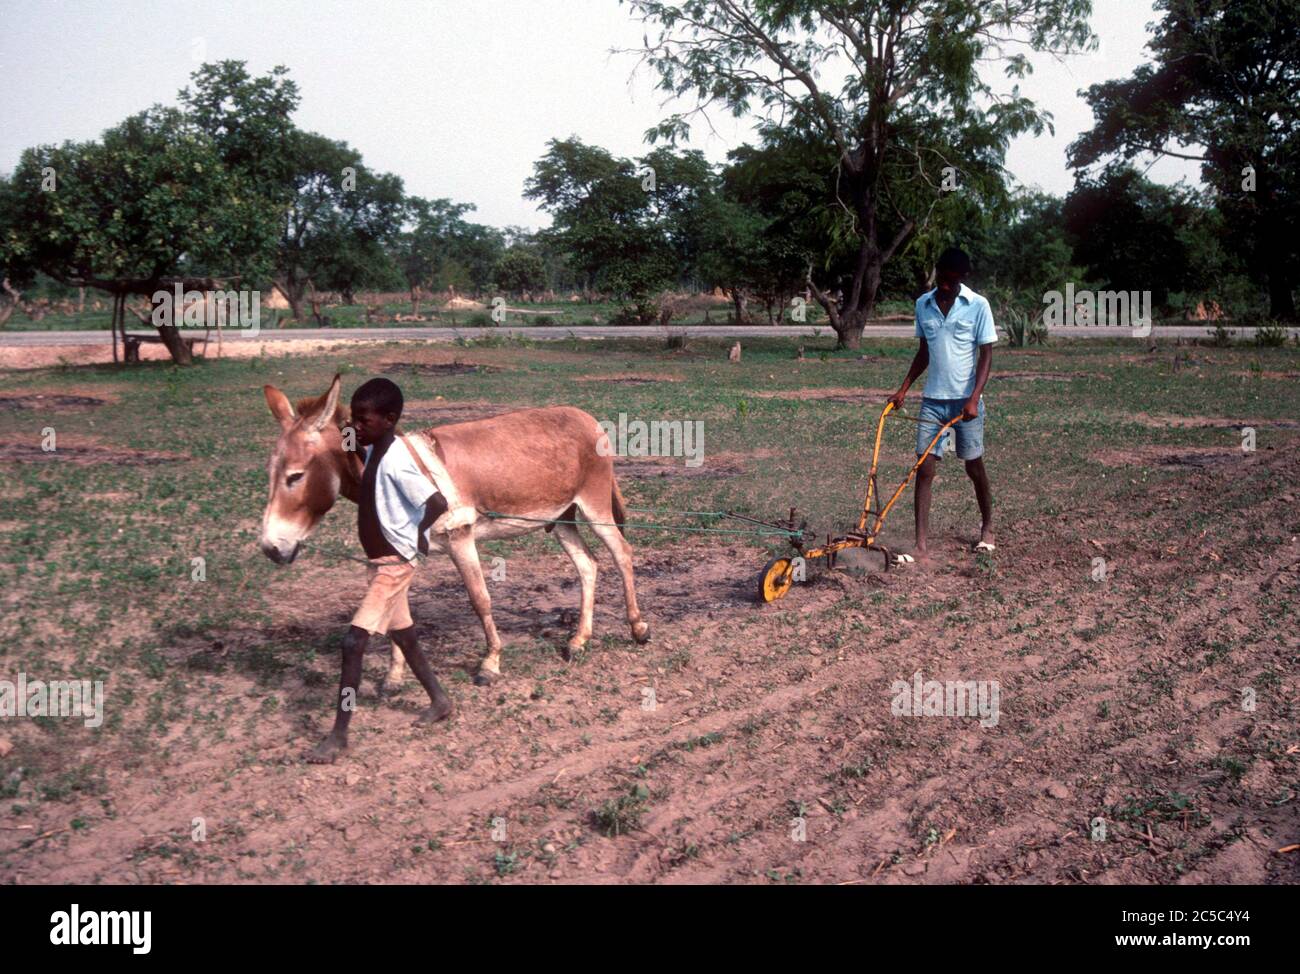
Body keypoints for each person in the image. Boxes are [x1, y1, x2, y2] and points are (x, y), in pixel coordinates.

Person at [308, 377, 453, 764]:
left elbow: (437, 503)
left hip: (394, 566)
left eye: (363, 420)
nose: (356, 427)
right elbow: (347, 444)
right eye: (353, 419)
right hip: (380, 564)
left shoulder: (396, 461)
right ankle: (440, 699)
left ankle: (339, 735)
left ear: (389, 420)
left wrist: (419, 537)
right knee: (403, 635)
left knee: (353, 644)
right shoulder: (374, 449)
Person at [886, 247, 996, 564]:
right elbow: (924, 352)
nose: (944, 285)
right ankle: (920, 546)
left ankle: (988, 528)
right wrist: (903, 389)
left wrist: (974, 398)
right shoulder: (924, 304)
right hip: (933, 401)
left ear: (962, 278)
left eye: (951, 280)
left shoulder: (978, 306)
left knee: (973, 466)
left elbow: (987, 356)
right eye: (941, 278)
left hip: (966, 404)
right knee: (924, 468)